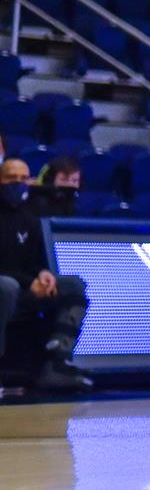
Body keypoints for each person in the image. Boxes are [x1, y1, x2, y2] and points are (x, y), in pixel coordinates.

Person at [0, 158, 91, 392]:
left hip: (25, 288)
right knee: (7, 286)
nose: (18, 184)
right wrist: (29, 282)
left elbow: (37, 260)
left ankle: (57, 363)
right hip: (8, 287)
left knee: (72, 285)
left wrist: (43, 274)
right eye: (11, 179)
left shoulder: (29, 216)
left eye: (23, 179)